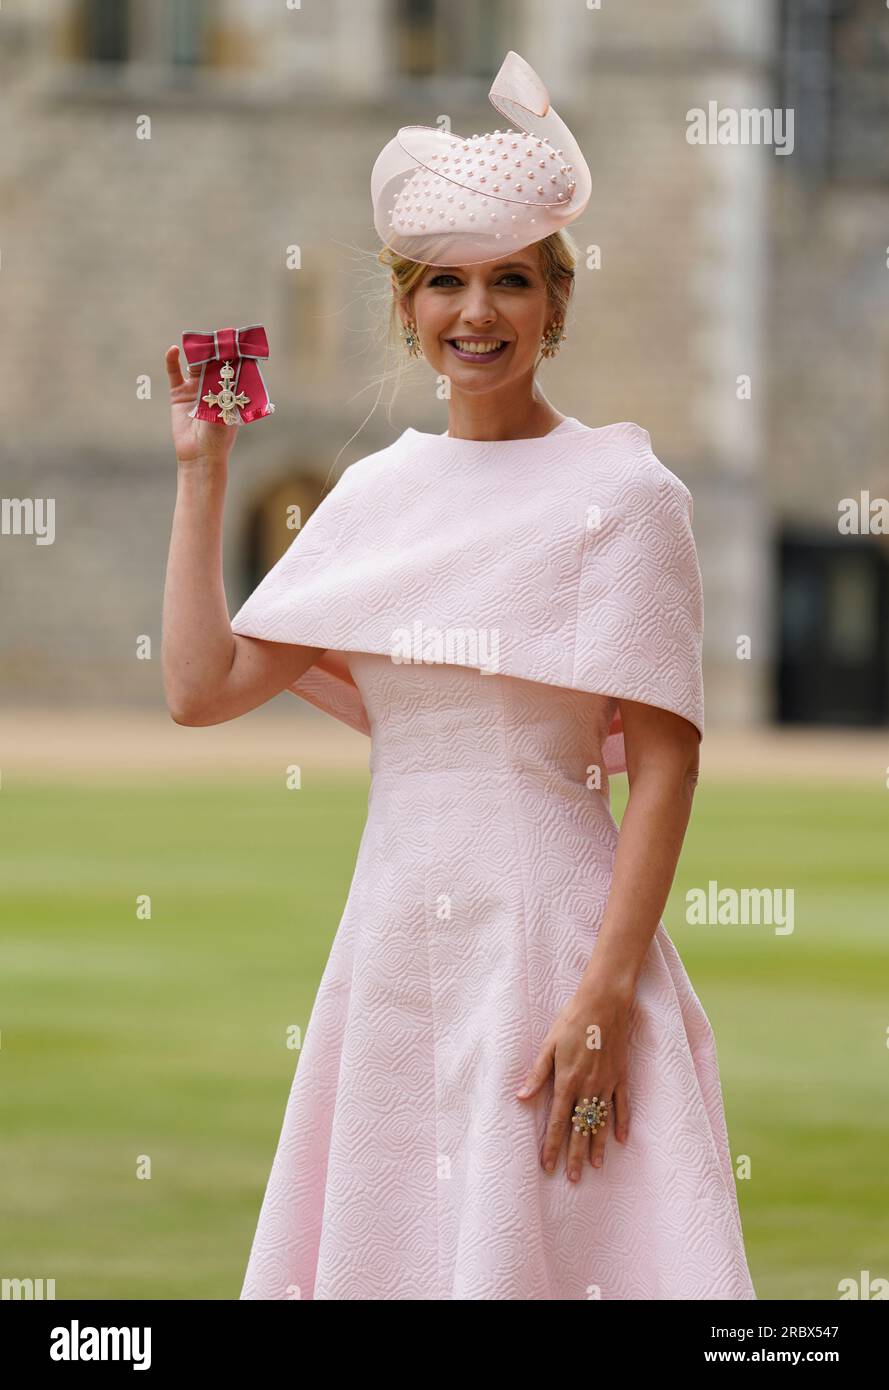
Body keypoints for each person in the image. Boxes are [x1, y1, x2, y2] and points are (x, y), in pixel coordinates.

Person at [162, 51, 756, 1300]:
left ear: (553, 304)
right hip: (389, 942)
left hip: (554, 942)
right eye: (445, 284)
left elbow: (665, 762)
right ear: (407, 305)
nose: (474, 313)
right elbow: (201, 687)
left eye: (508, 283)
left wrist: (602, 995)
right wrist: (200, 472)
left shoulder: (627, 496)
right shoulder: (376, 496)